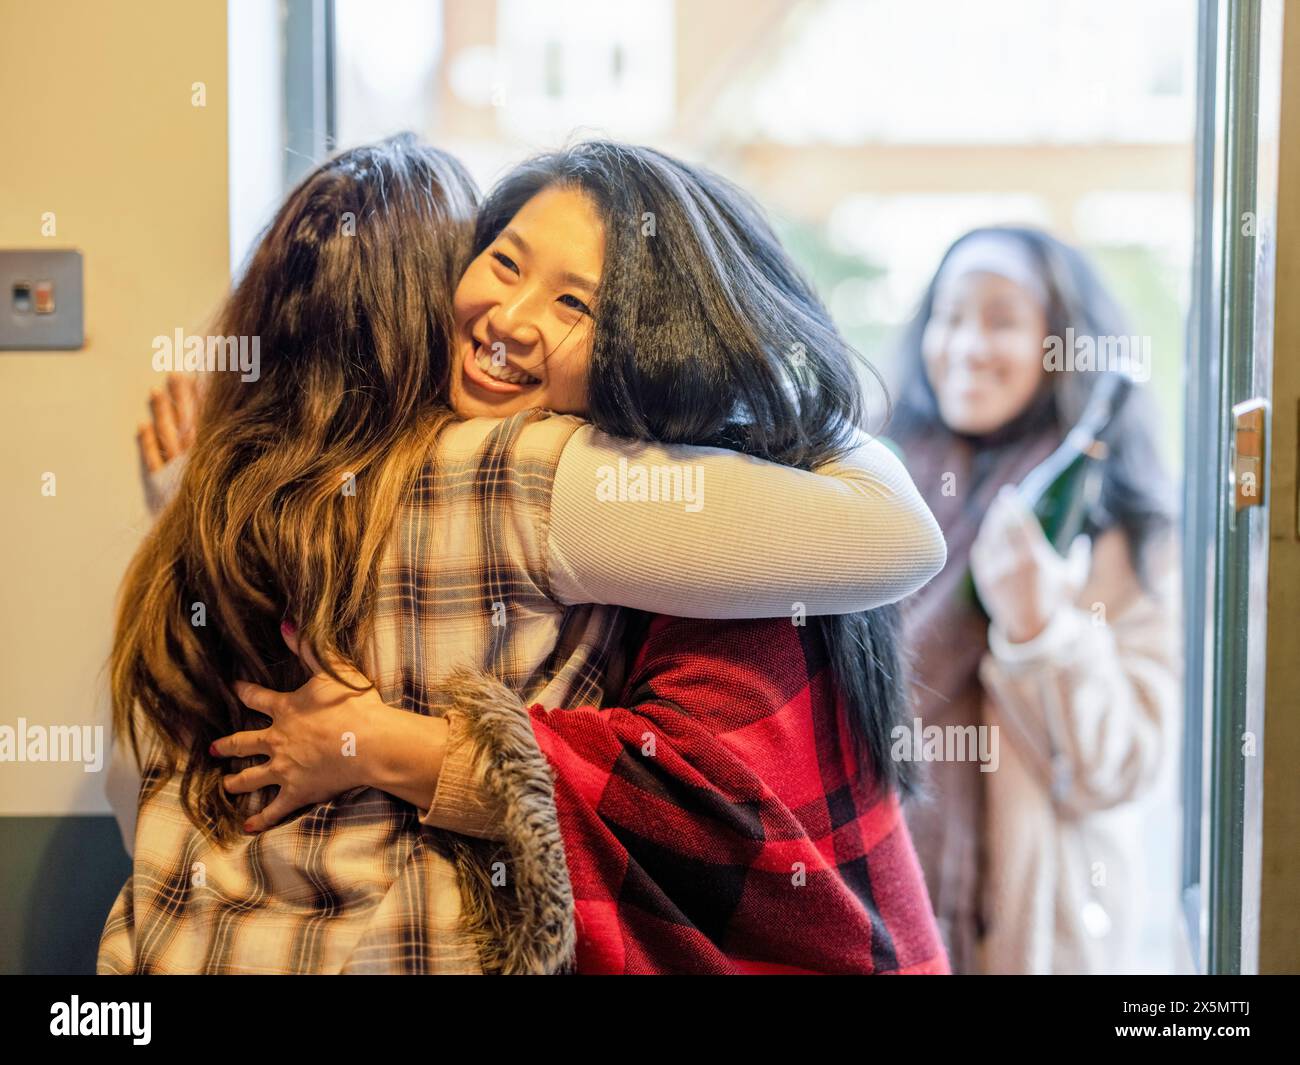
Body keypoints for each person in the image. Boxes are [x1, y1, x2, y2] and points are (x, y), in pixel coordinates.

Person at [99, 137, 946, 974]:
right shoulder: (511, 473)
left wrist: (381, 741)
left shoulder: (235, 495)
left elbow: (134, 796)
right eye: (503, 263)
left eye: (578, 305)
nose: (510, 319)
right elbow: (899, 530)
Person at [887, 226, 1182, 974]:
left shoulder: (1112, 525)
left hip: (1030, 939)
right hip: (874, 910)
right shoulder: (875, 492)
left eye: (1002, 319)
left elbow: (1119, 767)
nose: (967, 345)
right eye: (949, 316)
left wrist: (1040, 626)